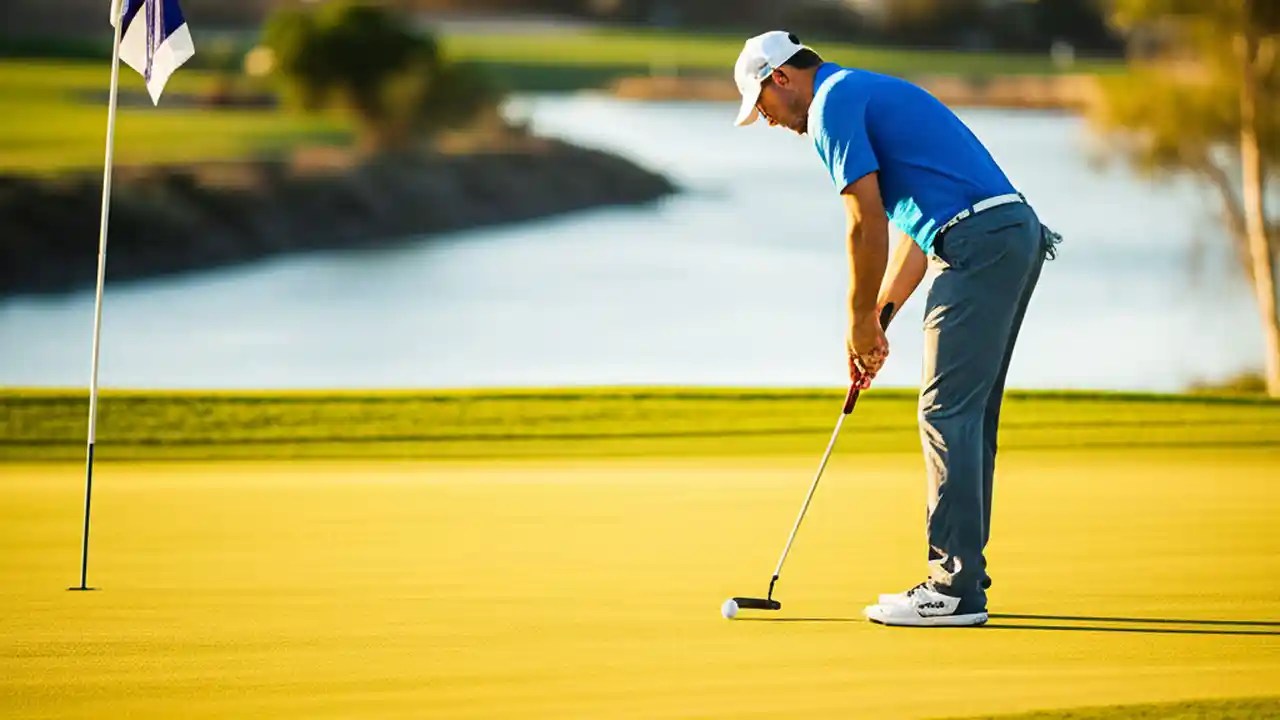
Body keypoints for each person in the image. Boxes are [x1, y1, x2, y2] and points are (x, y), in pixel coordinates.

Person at [733, 31, 1059, 627]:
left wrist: (856, 323)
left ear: (780, 78)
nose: (771, 122)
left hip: (979, 242)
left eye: (763, 108)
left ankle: (953, 587)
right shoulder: (861, 89)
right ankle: (964, 577)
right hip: (1007, 233)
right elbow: (918, 224)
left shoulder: (831, 106)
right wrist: (879, 318)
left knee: (945, 413)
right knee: (966, 414)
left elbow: (863, 220)